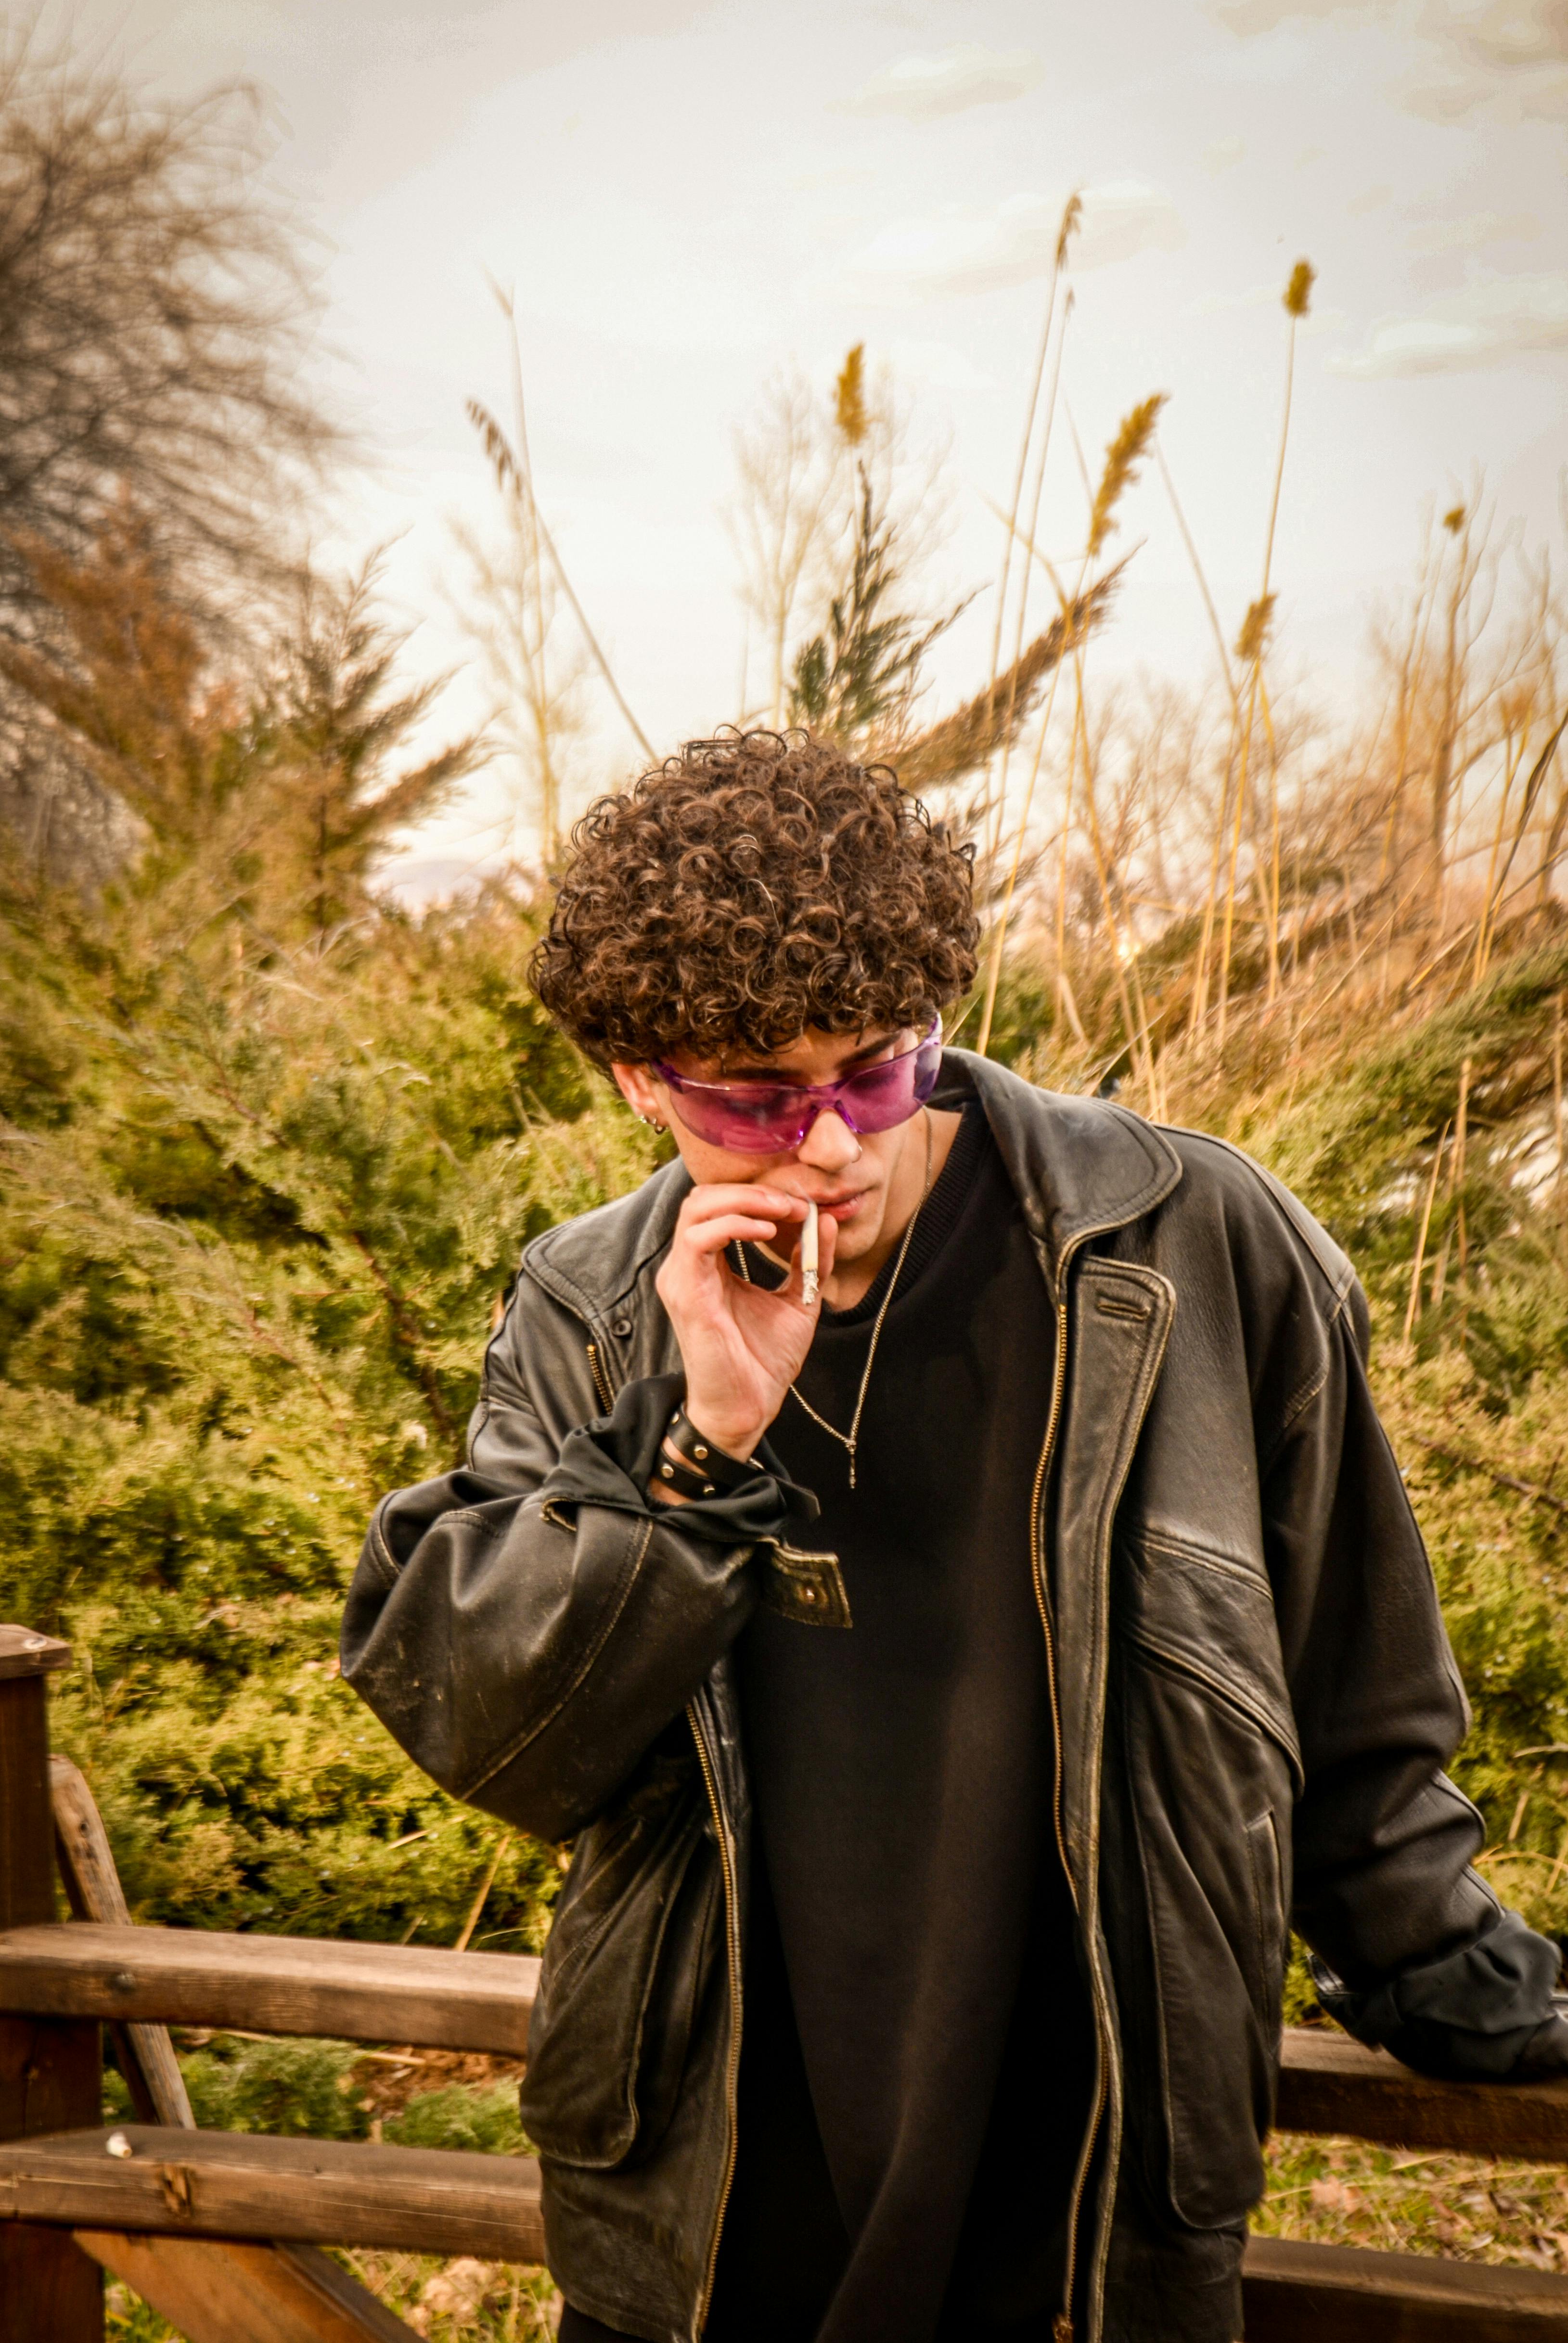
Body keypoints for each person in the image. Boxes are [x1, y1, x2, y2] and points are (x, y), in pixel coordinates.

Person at [341, 730, 1567, 2343]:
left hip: (1087, 2204)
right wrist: (697, 1446)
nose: (835, 1142)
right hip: (706, 2229)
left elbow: (1354, 1709)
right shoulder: (587, 1305)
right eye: (758, 1099)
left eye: (875, 1066)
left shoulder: (1192, 1245)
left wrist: (1473, 1988)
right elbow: (503, 1735)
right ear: (639, 1077)